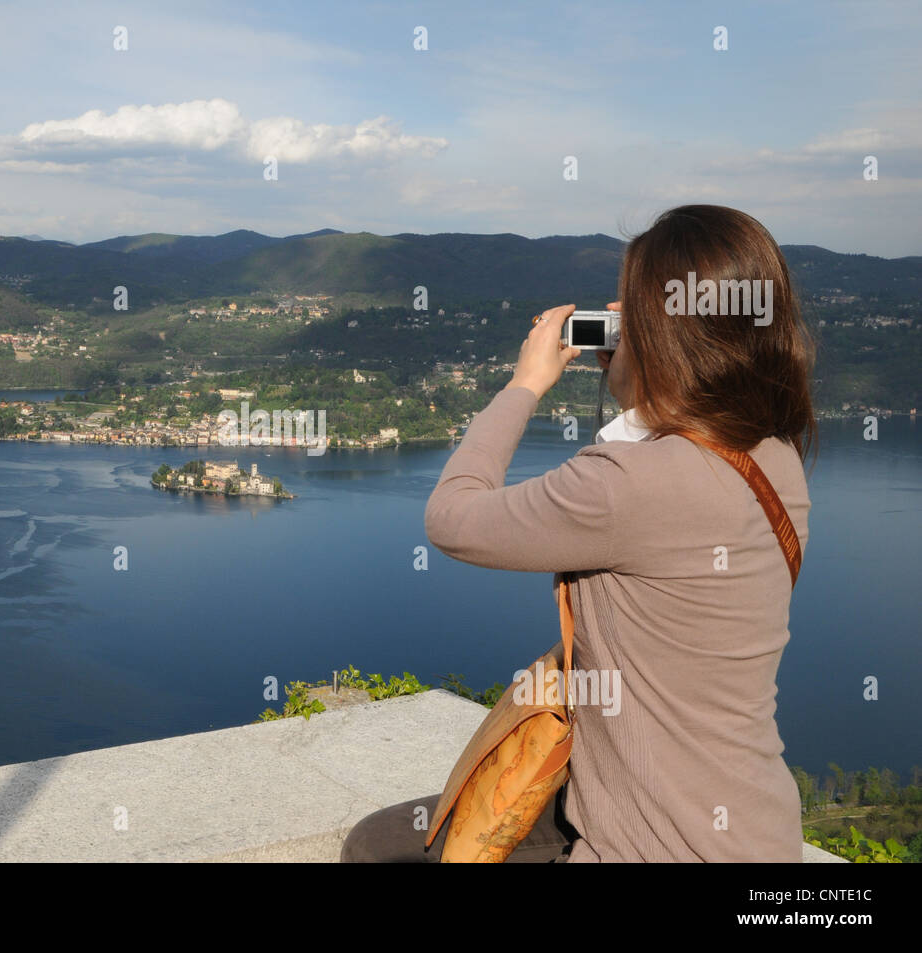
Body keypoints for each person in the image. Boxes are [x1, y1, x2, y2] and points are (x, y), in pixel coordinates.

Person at [340, 205, 817, 862]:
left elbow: (449, 517)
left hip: (650, 845)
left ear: (662, 335)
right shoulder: (776, 456)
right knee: (389, 840)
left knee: (376, 850)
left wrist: (525, 384)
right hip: (757, 832)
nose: (613, 318)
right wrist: (637, 383)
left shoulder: (629, 482)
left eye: (630, 311)